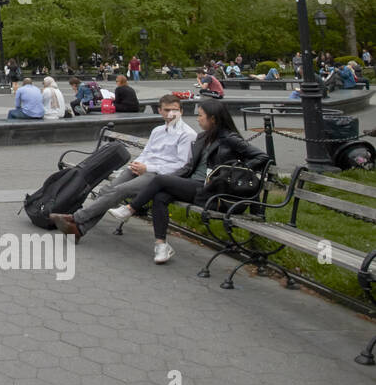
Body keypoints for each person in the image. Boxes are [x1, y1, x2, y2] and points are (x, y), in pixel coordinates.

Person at [108, 99, 267, 264]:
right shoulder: (203, 137)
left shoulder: (229, 138)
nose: (197, 119)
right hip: (196, 186)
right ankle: (161, 246)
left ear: (213, 118)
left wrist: (233, 171)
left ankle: (130, 208)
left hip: (213, 193)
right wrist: (174, 178)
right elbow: (189, 167)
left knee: (160, 180)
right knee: (160, 195)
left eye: (200, 115)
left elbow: (262, 157)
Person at [51, 94, 195, 243]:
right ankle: (79, 230)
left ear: (181, 111)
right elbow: (147, 153)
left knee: (120, 190)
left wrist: (147, 168)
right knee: (107, 190)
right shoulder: (157, 131)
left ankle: (76, 218)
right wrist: (137, 164)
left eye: (175, 110)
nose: (171, 114)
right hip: (141, 168)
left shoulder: (187, 134)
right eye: (167, 110)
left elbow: (181, 165)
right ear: (159, 110)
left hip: (159, 176)